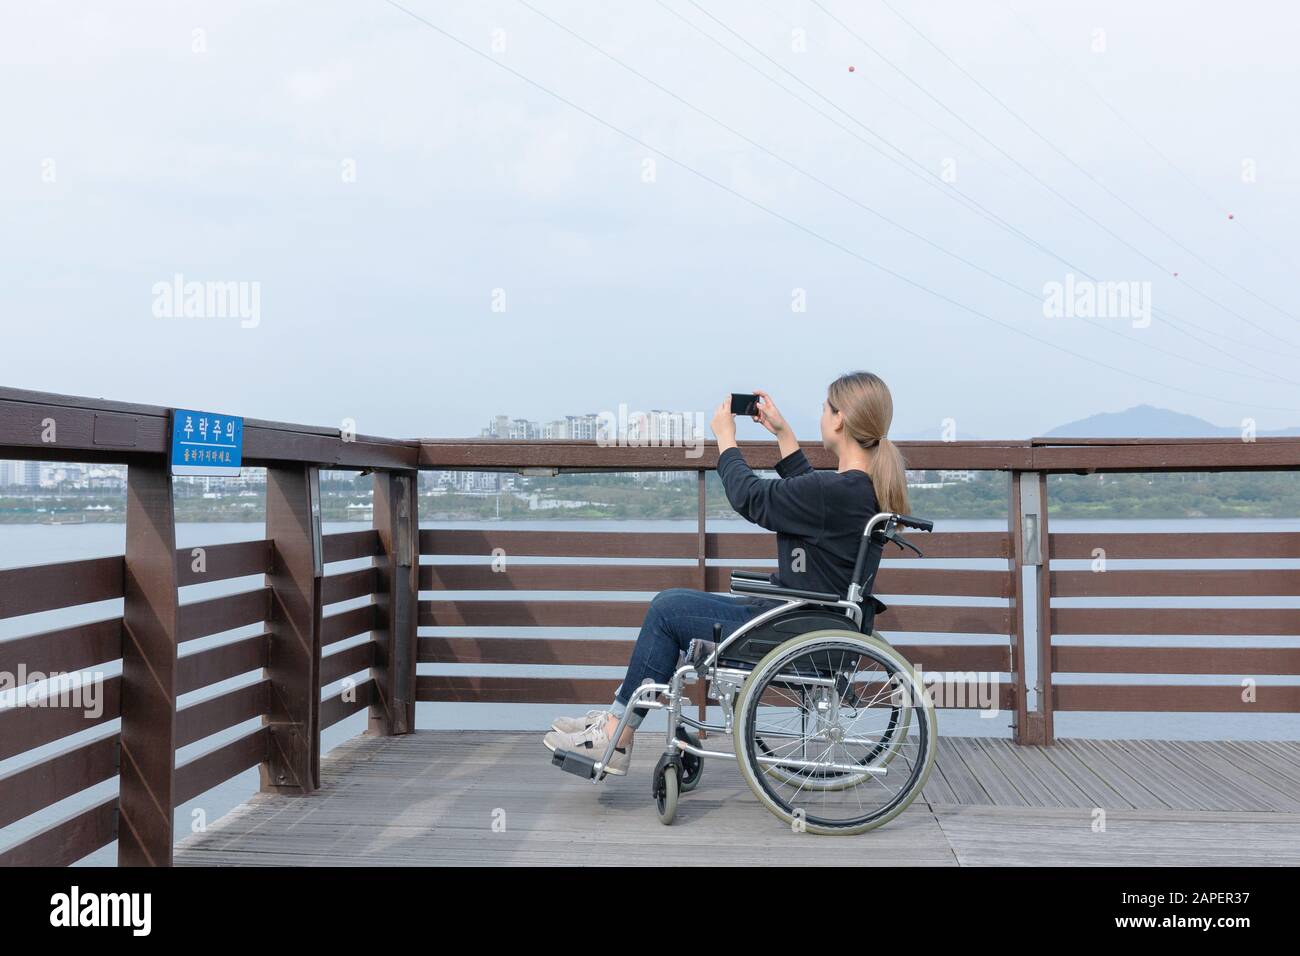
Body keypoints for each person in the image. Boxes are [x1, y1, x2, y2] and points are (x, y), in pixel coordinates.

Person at [542, 371, 910, 774]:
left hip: (791, 628)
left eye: (825, 408)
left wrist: (726, 441)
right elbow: (808, 496)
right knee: (676, 610)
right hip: (807, 622)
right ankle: (616, 720)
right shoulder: (857, 489)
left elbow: (750, 497)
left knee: (668, 610)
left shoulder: (837, 491)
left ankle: (616, 734)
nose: (821, 415)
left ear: (839, 420)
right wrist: (783, 434)